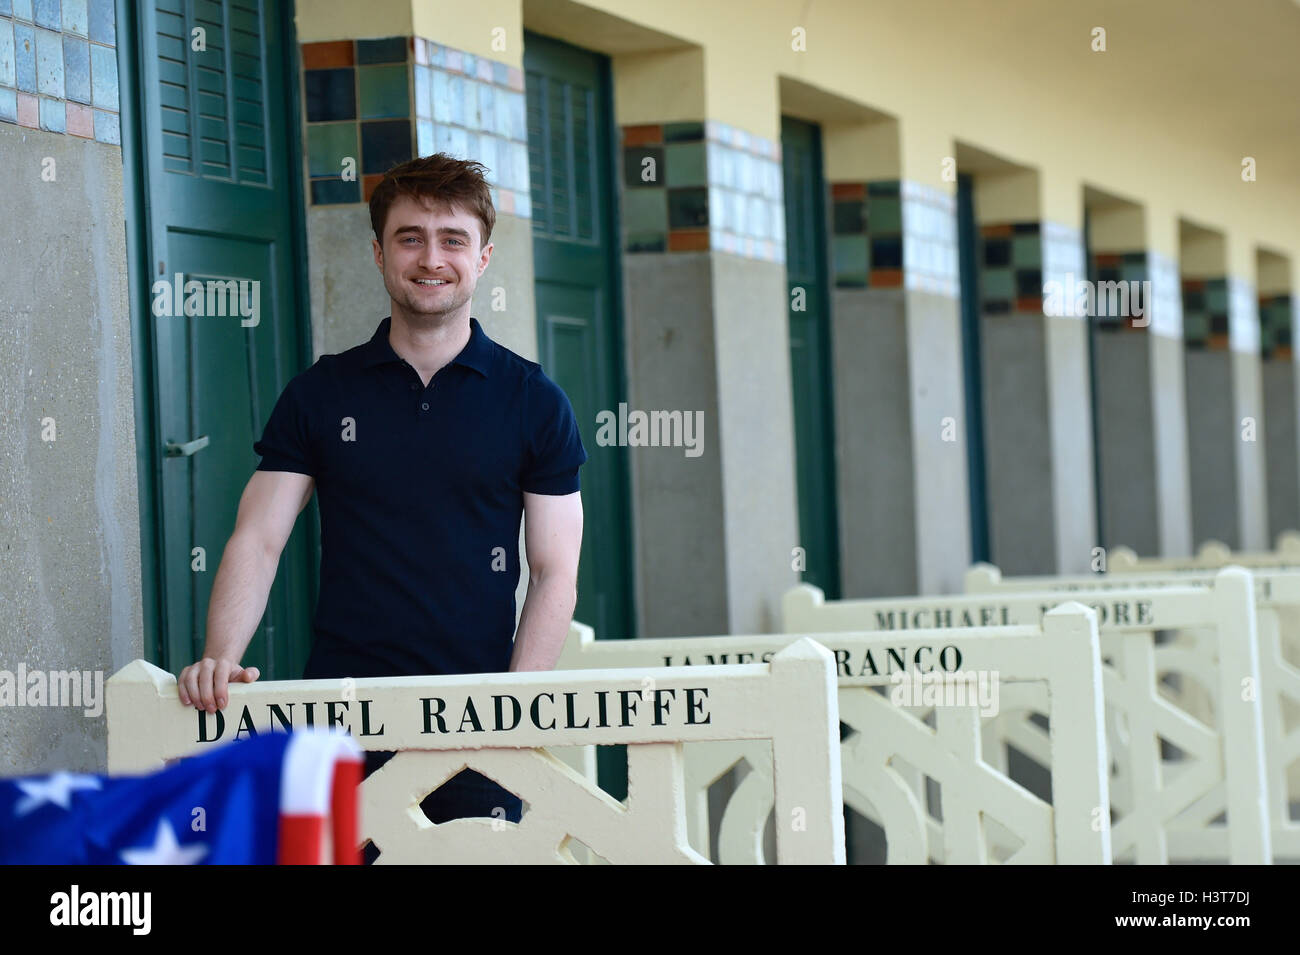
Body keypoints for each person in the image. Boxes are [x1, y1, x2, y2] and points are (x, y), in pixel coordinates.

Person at [176, 153, 586, 845]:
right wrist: (221, 653)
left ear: (483, 257)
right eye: (410, 237)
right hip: (338, 724)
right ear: (378, 252)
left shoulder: (534, 402)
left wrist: (511, 710)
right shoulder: (321, 393)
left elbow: (554, 571)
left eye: (452, 239)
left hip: (474, 725)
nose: (432, 257)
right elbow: (260, 537)